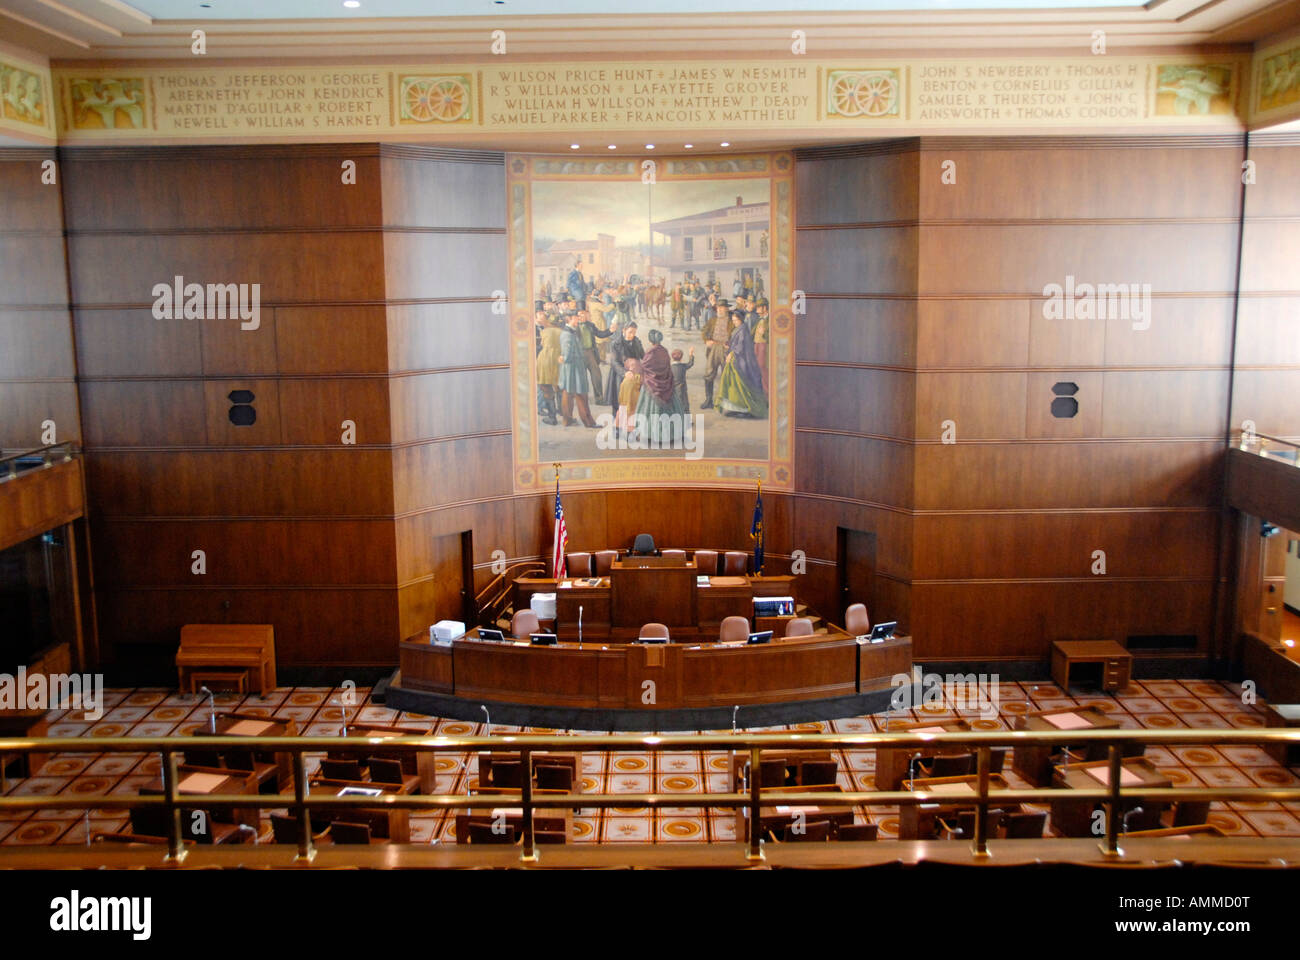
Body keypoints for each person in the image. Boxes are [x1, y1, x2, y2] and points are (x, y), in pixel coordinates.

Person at [633, 328, 685, 446]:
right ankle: (671, 434)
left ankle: (650, 434)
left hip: (651, 386)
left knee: (649, 410)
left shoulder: (650, 352)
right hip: (666, 384)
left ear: (651, 340)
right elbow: (666, 366)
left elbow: (644, 367)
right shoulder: (665, 351)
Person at [716, 309, 768, 418]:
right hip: (735, 360)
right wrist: (729, 346)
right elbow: (735, 343)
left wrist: (732, 353)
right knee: (732, 385)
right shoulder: (739, 328)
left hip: (741, 361)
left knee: (740, 385)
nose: (734, 322)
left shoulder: (743, 330)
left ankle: (744, 408)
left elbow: (740, 346)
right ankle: (735, 407)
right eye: (733, 320)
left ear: (740, 320)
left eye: (735, 320)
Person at [558, 313, 598, 427]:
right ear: (569, 319)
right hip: (573, 367)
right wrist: (564, 358)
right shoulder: (567, 334)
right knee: (580, 393)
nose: (578, 319)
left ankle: (568, 420)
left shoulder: (572, 331)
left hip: (573, 366)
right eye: (576, 318)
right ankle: (587, 421)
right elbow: (567, 353)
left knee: (569, 392)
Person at [604, 320, 644, 430]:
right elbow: (614, 362)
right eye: (630, 332)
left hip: (634, 376)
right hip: (619, 375)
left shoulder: (637, 342)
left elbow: (643, 356)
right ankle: (616, 428)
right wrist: (625, 373)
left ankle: (629, 427)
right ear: (624, 331)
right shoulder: (616, 343)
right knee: (618, 402)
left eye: (634, 332)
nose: (632, 335)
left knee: (632, 402)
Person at [701, 296, 731, 411]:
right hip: (713, 348)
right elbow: (704, 330)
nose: (719, 310)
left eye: (722, 308)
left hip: (725, 349)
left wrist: (730, 345)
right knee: (709, 374)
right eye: (718, 308)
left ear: (727, 309)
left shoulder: (732, 320)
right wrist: (706, 340)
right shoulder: (712, 320)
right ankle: (709, 400)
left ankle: (724, 402)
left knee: (726, 375)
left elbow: (736, 334)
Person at [535, 311, 562, 426]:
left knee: (546, 388)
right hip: (558, 361)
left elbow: (540, 345)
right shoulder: (561, 332)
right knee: (559, 387)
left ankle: (552, 417)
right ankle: (563, 413)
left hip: (545, 360)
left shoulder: (544, 332)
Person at [617, 358, 643, 440]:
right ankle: (630, 435)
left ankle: (619, 431)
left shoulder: (626, 379)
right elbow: (640, 382)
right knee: (631, 417)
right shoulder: (636, 377)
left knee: (622, 415)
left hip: (624, 402)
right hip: (632, 401)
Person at [753, 298, 770, 395]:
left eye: (758, 308)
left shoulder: (769, 320)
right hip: (757, 346)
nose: (757, 310)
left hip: (764, 348)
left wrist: (763, 333)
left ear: (764, 308)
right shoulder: (760, 320)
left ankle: (767, 394)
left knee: (763, 370)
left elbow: (771, 336)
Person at [671, 347, 695, 413]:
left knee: (675, 406)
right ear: (681, 358)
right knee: (685, 405)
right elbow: (690, 363)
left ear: (672, 358)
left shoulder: (670, 368)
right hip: (683, 390)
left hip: (674, 391)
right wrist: (691, 354)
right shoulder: (683, 366)